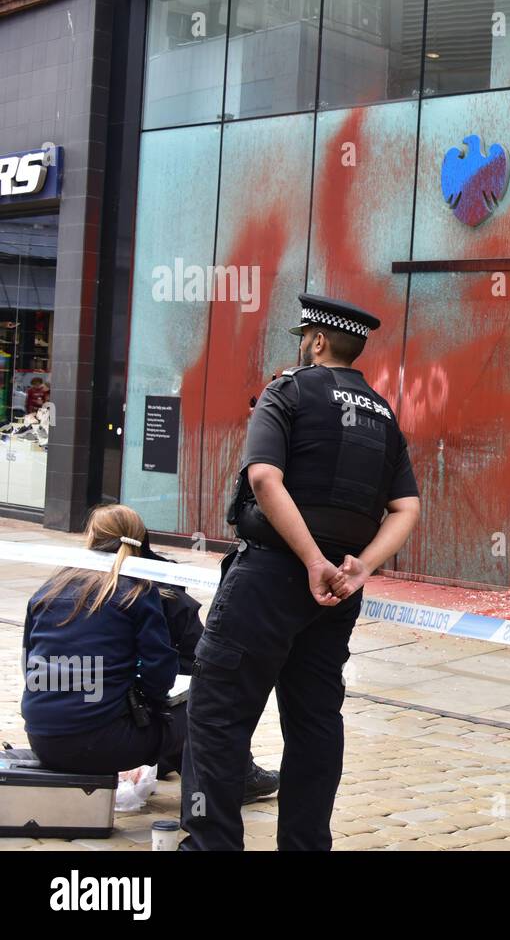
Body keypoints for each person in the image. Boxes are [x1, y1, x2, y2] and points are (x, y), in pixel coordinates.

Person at [181, 293, 420, 851]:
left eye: (303, 336)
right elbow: (407, 508)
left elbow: (265, 477)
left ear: (316, 341)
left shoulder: (287, 390)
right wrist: (358, 568)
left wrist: (312, 559)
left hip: (270, 577)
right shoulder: (385, 416)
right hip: (337, 593)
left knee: (216, 715)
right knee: (315, 723)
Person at [21, 505, 183, 776]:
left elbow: (29, 664)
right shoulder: (136, 592)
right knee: (200, 710)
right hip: (101, 742)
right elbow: (160, 673)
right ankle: (209, 804)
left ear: (91, 537)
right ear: (141, 539)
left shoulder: (47, 591)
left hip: (41, 738)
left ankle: (161, 764)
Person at [137, 530, 280, 801]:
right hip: (116, 726)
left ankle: (171, 757)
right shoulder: (158, 592)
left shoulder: (66, 583)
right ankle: (237, 777)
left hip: (50, 729)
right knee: (206, 706)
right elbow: (192, 662)